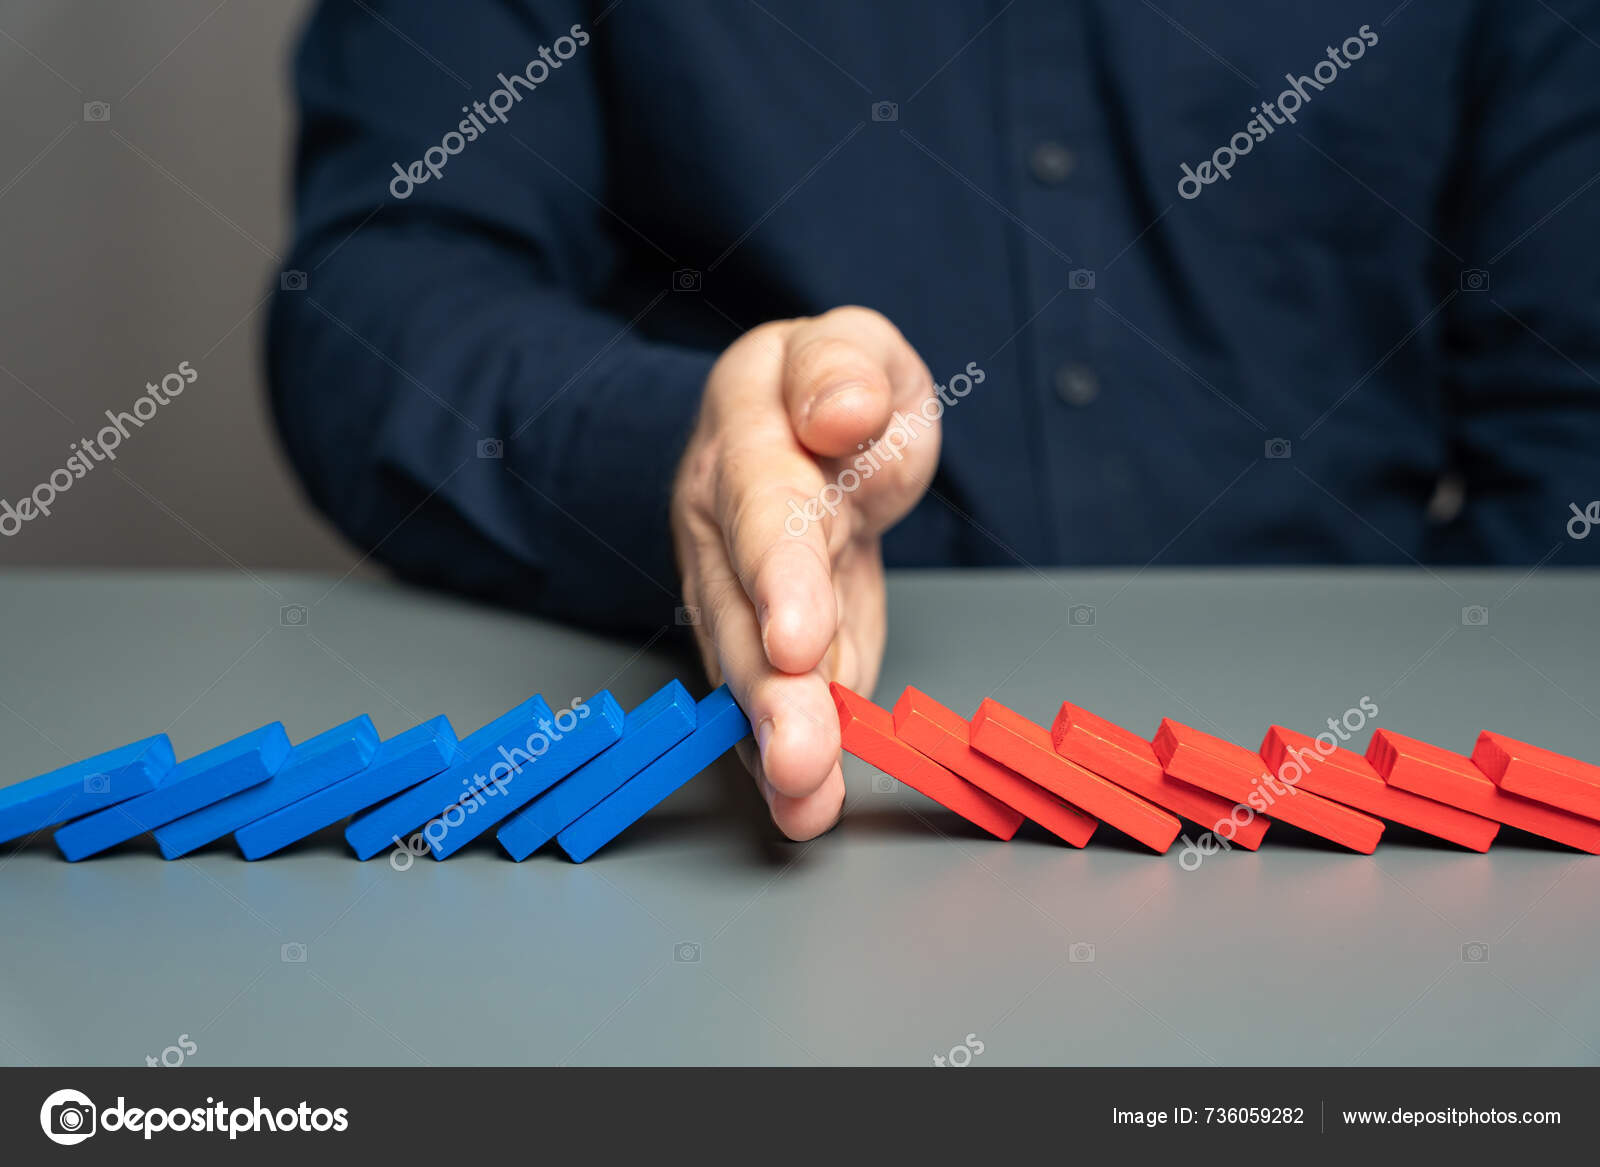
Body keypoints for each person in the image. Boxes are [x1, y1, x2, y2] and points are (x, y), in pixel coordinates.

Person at [267, 1, 1600, 842]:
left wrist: (1472, 797)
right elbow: (380, 287)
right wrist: (684, 447)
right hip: (773, 767)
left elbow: (1571, 399)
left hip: (1377, 801)